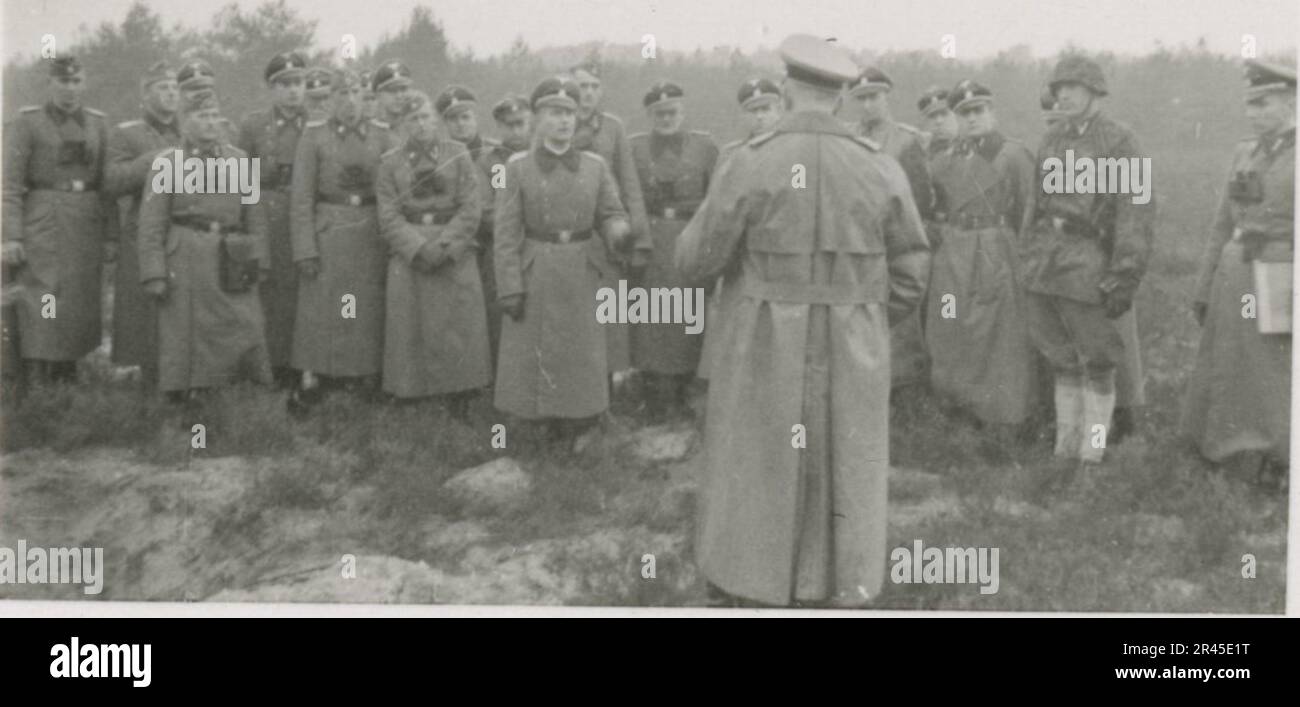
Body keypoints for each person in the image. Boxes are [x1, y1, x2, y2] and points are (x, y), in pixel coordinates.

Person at [676, 35, 930, 607]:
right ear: (840, 99)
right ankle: (842, 580)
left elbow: (696, 262)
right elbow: (913, 266)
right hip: (853, 339)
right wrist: (862, 315)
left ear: (788, 91)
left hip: (762, 336)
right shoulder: (881, 166)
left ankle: (752, 578)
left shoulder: (748, 159)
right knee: (846, 456)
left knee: (760, 454)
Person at [1021, 55, 1154, 469]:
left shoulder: (1118, 141)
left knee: (1098, 363)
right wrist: (1028, 255)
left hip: (1088, 261)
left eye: (1073, 88)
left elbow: (1136, 210)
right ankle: (1065, 448)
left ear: (1095, 91)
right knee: (1062, 359)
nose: (1063, 95)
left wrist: (1124, 273)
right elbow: (1037, 205)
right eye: (1058, 88)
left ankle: (1092, 455)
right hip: (1047, 261)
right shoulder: (1052, 139)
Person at [493, 77, 631, 449]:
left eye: (569, 113)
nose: (565, 121)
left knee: (580, 352)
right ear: (537, 118)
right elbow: (505, 234)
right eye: (555, 113)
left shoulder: (595, 166)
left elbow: (612, 211)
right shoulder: (517, 167)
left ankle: (581, 425)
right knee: (533, 350)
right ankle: (533, 429)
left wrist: (619, 232)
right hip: (536, 269)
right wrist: (509, 285)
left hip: (582, 271)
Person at [1181, 59, 1294, 490]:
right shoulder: (1244, 152)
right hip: (1235, 270)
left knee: (1276, 366)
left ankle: (1280, 458)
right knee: (1229, 360)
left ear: (1291, 99)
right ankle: (1229, 449)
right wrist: (1204, 284)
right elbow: (1221, 223)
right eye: (1249, 104)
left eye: (1263, 103)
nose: (1253, 112)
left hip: (1282, 268)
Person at [136, 90, 271, 400]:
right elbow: (152, 223)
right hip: (185, 255)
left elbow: (256, 217)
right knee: (186, 330)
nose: (211, 124)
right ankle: (185, 397)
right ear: (185, 122)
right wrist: (154, 272)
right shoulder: (167, 163)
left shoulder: (239, 160)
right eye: (201, 116)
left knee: (244, 322)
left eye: (214, 116)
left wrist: (260, 261)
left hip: (232, 255)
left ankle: (237, 394)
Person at [924, 80, 1038, 438]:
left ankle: (1003, 420)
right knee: (950, 326)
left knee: (1000, 333)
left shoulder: (1013, 155)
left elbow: (1029, 211)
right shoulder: (944, 160)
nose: (972, 118)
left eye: (979, 110)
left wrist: (1021, 257)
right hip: (954, 252)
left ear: (992, 112)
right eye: (964, 113)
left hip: (996, 250)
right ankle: (958, 413)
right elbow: (934, 207)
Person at [2, 56, 118, 387]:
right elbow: (9, 185)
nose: (69, 88)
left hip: (85, 221)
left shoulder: (98, 124)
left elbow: (107, 185)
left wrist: (111, 234)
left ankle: (68, 375)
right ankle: (38, 375)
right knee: (44, 296)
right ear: (50, 83)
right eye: (63, 81)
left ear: (85, 84)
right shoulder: (28, 123)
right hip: (43, 219)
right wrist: (10, 236)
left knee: (79, 299)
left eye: (76, 81)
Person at [375, 91, 488, 417]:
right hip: (411, 253)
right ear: (401, 125)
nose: (421, 124)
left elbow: (471, 207)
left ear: (435, 120)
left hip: (453, 249)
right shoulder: (390, 163)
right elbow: (388, 215)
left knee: (457, 325)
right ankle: (412, 399)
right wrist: (416, 248)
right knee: (409, 325)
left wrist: (445, 245)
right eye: (413, 119)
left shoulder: (458, 154)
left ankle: (460, 398)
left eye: (426, 117)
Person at [289, 69, 395, 407]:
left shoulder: (382, 135)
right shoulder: (315, 136)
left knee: (363, 305)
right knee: (324, 305)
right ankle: (314, 374)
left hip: (369, 228)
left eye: (356, 93)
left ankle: (363, 373)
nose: (349, 102)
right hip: (329, 229)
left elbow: (394, 188)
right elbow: (302, 196)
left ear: (365, 97)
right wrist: (305, 247)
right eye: (341, 94)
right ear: (330, 99)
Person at [628, 81, 719, 419]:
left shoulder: (705, 147)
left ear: (683, 112)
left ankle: (685, 392)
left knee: (687, 315)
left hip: (689, 237)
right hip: (650, 239)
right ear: (649, 115)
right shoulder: (634, 148)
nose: (666, 119)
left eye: (672, 112)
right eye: (658, 113)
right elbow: (627, 195)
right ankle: (652, 394)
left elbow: (716, 198)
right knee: (652, 317)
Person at [847, 66, 935, 388]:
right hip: (855, 244)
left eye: (873, 97)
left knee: (898, 320)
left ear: (887, 96)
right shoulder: (845, 138)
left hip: (894, 244)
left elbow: (920, 202)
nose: (867, 105)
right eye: (861, 99)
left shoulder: (906, 141)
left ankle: (903, 394)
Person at [698, 77, 783, 384]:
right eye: (752, 110)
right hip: (740, 256)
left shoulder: (792, 153)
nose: (760, 116)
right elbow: (717, 207)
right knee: (734, 325)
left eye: (766, 108)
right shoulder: (731, 154)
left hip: (779, 256)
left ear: (780, 109)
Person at [570, 60, 650, 383]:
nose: (587, 93)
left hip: (607, 233)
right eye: (581, 86)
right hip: (571, 233)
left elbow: (629, 185)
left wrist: (639, 240)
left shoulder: (613, 127)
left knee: (611, 313)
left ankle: (606, 394)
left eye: (594, 87)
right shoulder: (556, 123)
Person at [105, 61, 182, 386]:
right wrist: (152, 161)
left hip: (181, 229)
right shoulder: (126, 133)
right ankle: (150, 382)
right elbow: (111, 181)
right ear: (145, 94)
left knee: (179, 305)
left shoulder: (188, 131)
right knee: (146, 308)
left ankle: (179, 377)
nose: (171, 94)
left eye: (175, 88)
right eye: (163, 88)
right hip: (142, 229)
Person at [238, 51, 309, 387]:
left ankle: (306, 371)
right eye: (284, 85)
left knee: (306, 295)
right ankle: (273, 372)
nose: (293, 91)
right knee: (272, 298)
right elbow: (244, 183)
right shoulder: (253, 127)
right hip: (267, 217)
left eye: (298, 83)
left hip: (308, 218)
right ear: (271, 88)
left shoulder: (319, 125)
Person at [439, 85, 505, 374]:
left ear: (476, 117)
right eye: (453, 119)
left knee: (493, 306)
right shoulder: (441, 157)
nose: (460, 124)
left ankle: (495, 370)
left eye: (465, 116)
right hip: (459, 243)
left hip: (491, 240)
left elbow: (504, 198)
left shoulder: (495, 156)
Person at [175, 59, 238, 143]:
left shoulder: (227, 129)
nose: (202, 94)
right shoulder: (172, 125)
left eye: (206, 88)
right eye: (194, 89)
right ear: (182, 93)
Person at [371, 61, 413, 127]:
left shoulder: (419, 129)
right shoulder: (369, 131)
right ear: (379, 95)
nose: (399, 96)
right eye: (392, 90)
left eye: (403, 89)